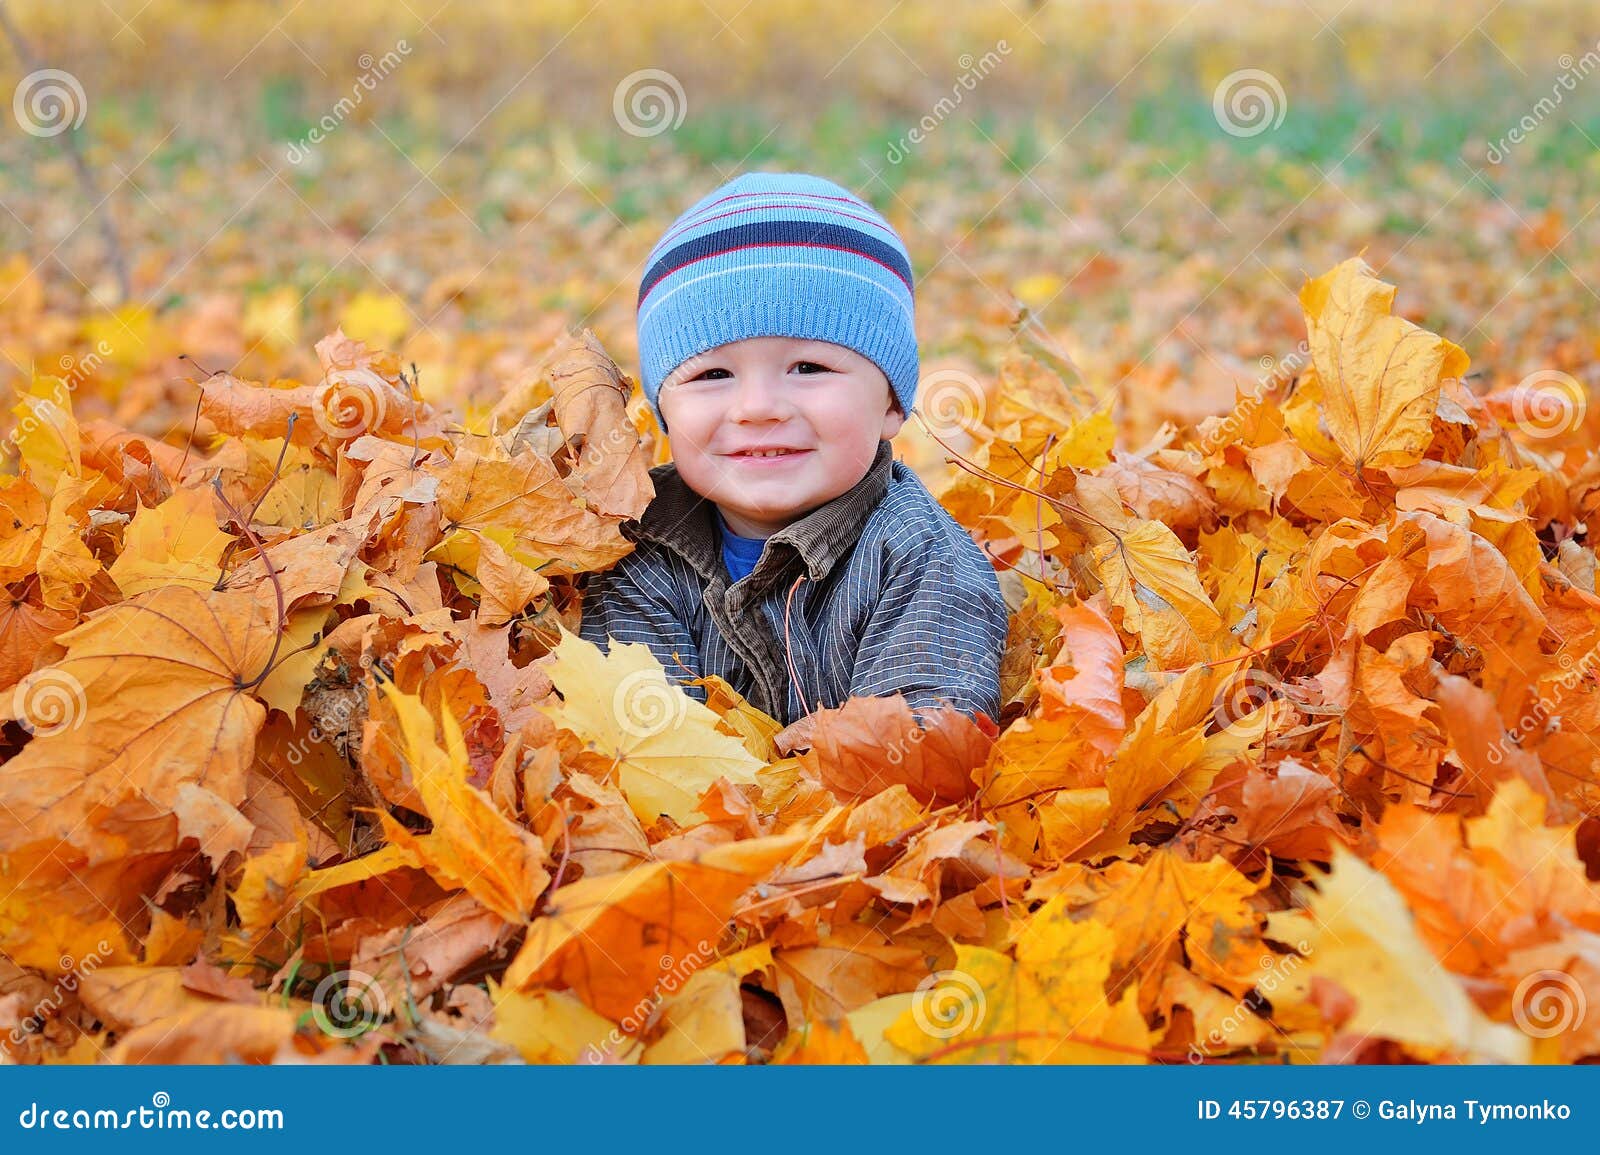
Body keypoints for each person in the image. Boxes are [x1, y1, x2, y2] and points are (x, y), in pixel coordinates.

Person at [578, 171, 1008, 729]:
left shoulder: (923, 563)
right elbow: (636, 748)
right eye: (712, 374)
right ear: (665, 411)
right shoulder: (633, 545)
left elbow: (915, 761)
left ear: (891, 406)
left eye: (809, 368)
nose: (758, 407)